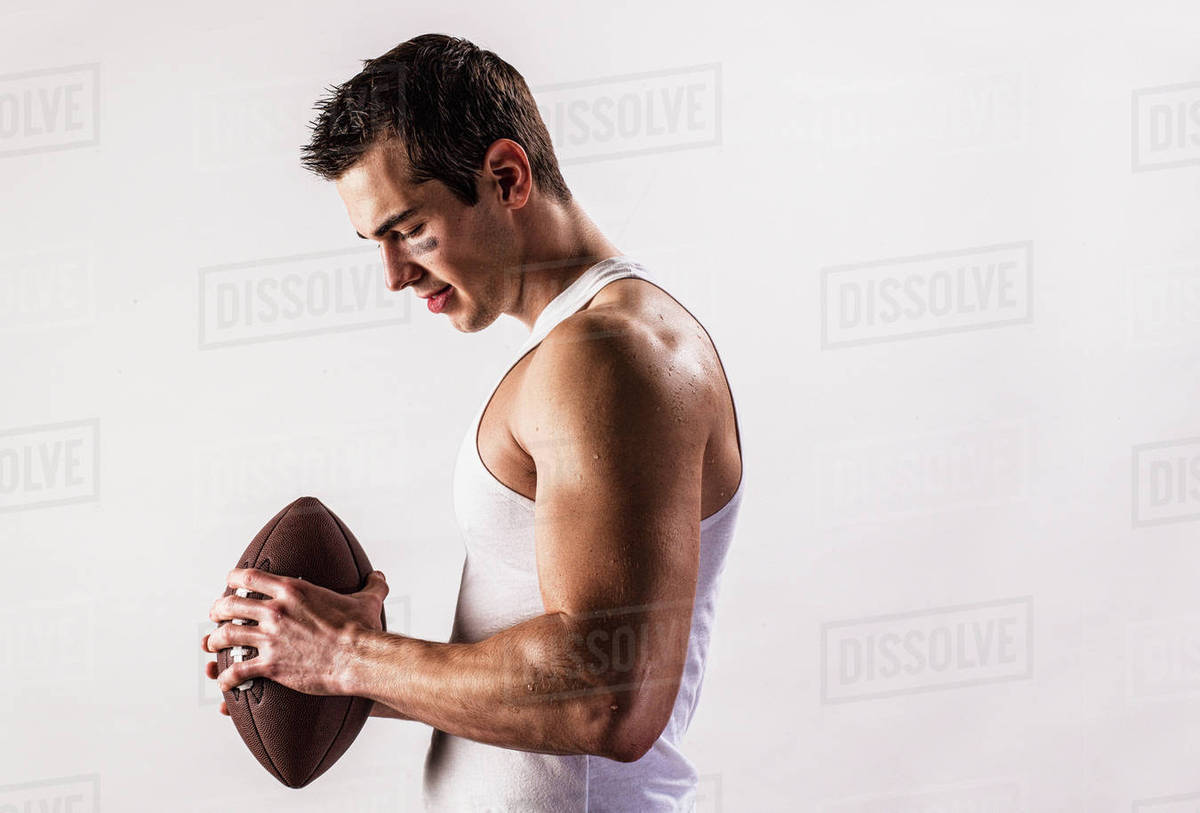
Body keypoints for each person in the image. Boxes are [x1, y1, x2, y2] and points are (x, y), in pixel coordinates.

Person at [204, 33, 745, 812]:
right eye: (375, 243)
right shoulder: (577, 349)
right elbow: (548, 691)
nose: (392, 274)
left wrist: (349, 655)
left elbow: (609, 694)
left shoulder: (612, 353)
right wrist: (314, 662)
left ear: (505, 176)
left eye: (408, 228)